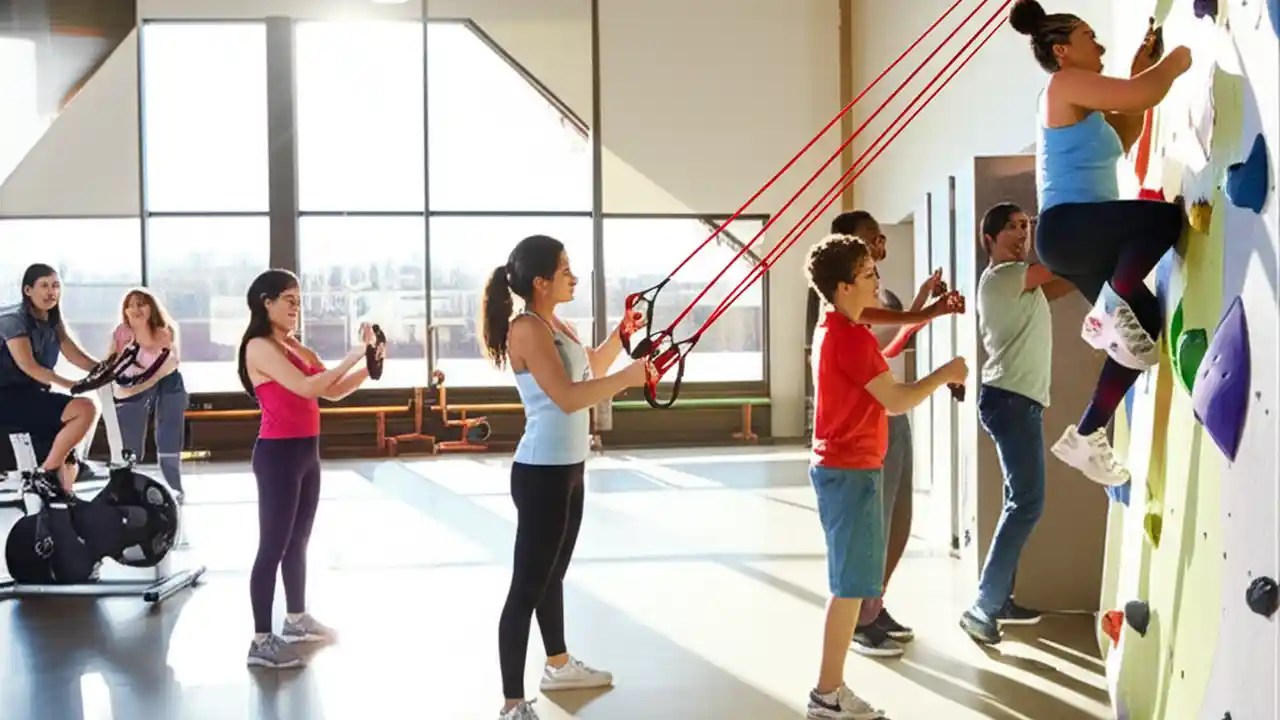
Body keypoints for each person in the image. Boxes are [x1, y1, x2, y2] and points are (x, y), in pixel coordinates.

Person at [1010, 0, 1191, 485]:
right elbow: (1140, 95)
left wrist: (1143, 73)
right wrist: (1178, 60)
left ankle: (1088, 435)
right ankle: (1110, 304)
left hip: (1078, 238)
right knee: (1162, 222)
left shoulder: (1082, 107)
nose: (1103, 43)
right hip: (1071, 227)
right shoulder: (1061, 84)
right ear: (1062, 50)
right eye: (1091, 36)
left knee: (1145, 327)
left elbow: (1130, 121)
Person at [480, 234, 651, 720]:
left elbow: (589, 368)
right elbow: (568, 397)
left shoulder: (558, 325)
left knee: (552, 574)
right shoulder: (528, 329)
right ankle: (514, 703)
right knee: (526, 587)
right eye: (565, 269)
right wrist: (628, 378)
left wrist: (620, 336)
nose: (573, 276)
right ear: (540, 282)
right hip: (541, 473)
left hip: (569, 468)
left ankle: (557, 664)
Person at [804, 234, 967, 720]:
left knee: (851, 586)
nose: (878, 282)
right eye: (870, 274)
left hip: (848, 469)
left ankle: (830, 691)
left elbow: (888, 320)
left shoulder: (835, 321)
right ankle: (826, 695)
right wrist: (947, 373)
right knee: (850, 588)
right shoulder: (850, 338)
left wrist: (926, 311)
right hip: (850, 472)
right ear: (843, 285)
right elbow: (895, 400)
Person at [237, 268, 384, 669]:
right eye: (288, 299)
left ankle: (297, 620)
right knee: (272, 546)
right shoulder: (259, 347)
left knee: (298, 541)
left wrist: (367, 368)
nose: (295, 308)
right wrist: (355, 353)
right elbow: (304, 389)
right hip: (278, 456)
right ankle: (261, 641)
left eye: (298, 301)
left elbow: (331, 390)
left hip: (306, 453)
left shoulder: (298, 348)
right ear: (265, 303)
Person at [827, 210, 958, 657]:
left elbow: (892, 341)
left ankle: (874, 603)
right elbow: (883, 355)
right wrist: (943, 368)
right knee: (874, 529)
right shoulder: (846, 314)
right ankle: (862, 617)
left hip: (888, 417)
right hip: (868, 426)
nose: (880, 247)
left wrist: (925, 307)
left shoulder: (871, 299)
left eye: (880, 240)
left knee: (898, 518)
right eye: (870, 242)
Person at [959, 202, 1076, 644]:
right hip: (1011, 401)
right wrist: (1087, 233)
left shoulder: (1022, 285)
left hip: (1014, 401)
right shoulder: (1004, 276)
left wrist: (1098, 268)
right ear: (988, 239)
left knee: (1018, 501)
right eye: (1011, 227)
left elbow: (1061, 284)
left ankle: (999, 597)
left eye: (1026, 226)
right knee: (1028, 504)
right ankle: (983, 608)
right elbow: (1057, 268)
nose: (1022, 233)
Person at [0, 263, 102, 491]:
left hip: (33, 396)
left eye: (55, 286)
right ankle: (45, 474)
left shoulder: (53, 322)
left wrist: (106, 369)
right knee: (85, 408)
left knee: (69, 459)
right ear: (28, 290)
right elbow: (30, 367)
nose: (51, 292)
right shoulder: (12, 322)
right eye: (44, 286)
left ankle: (59, 506)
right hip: (8, 398)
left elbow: (75, 355)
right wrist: (71, 385)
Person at [109, 288, 187, 499]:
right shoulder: (121, 333)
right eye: (131, 305)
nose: (135, 308)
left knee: (169, 433)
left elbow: (166, 363)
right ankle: (126, 486)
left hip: (165, 381)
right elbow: (111, 361)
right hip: (131, 385)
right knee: (130, 433)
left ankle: (174, 486)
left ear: (151, 307)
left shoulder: (165, 330)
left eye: (141, 303)